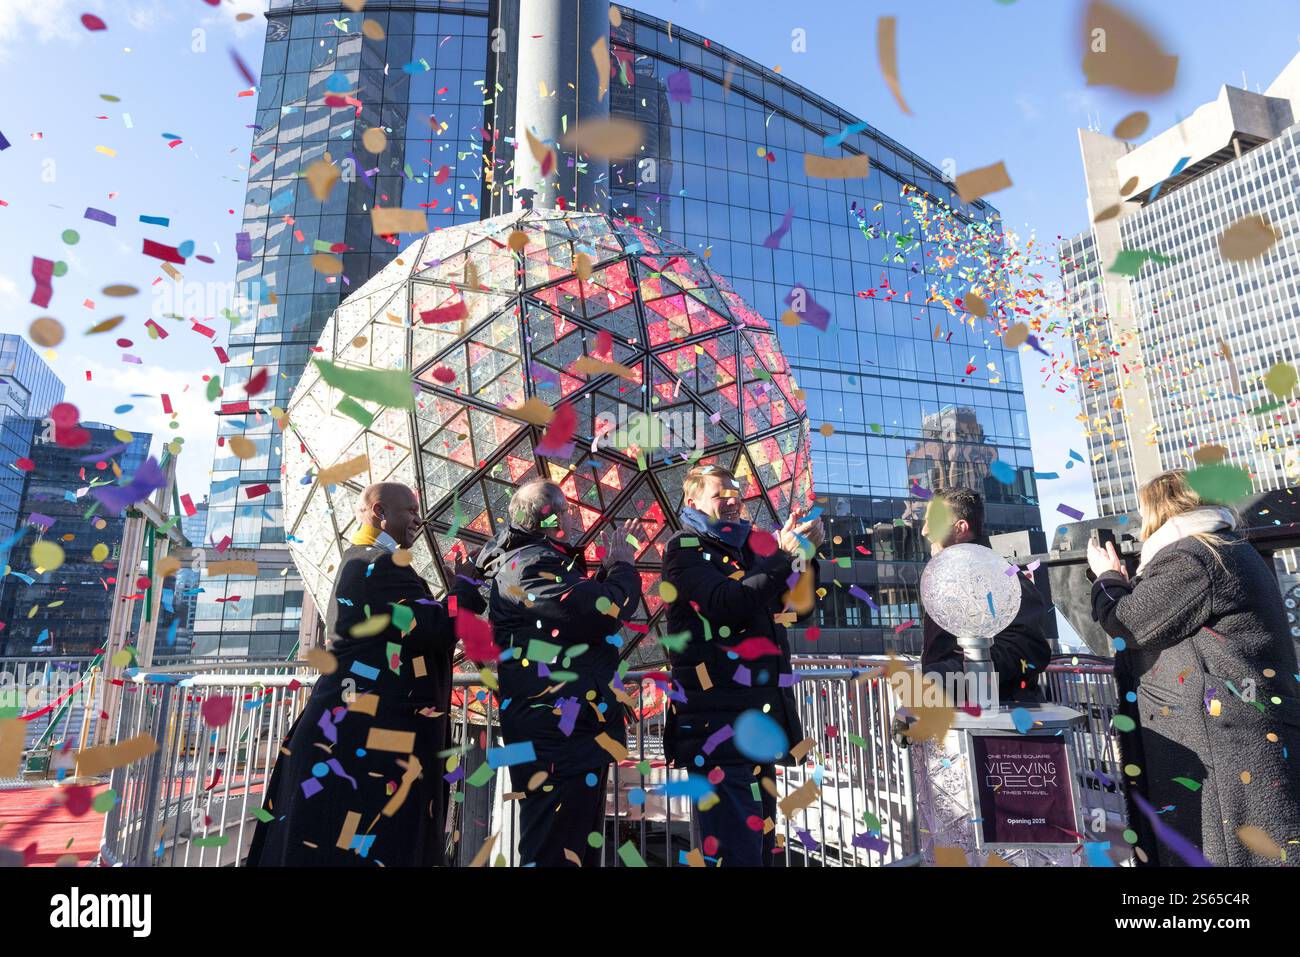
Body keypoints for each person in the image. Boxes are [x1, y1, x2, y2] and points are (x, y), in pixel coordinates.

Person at [247, 482, 475, 867]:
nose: (419, 520)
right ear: (380, 511)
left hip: (355, 737)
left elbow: (412, 628)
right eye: (411, 511)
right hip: (360, 745)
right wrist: (466, 589)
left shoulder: (367, 562)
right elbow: (433, 627)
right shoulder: (376, 565)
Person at [1088, 469, 1300, 866]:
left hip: (1223, 744)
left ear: (1156, 512)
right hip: (1238, 733)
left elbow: (1129, 623)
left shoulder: (1193, 556)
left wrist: (1107, 578)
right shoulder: (1224, 547)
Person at [462, 479, 642, 867]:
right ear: (550, 518)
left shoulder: (529, 562)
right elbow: (603, 612)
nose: (573, 516)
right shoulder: (529, 566)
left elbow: (569, 619)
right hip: (559, 738)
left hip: (563, 734)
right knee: (555, 848)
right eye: (565, 509)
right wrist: (622, 565)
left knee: (569, 847)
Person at [661, 464, 822, 866]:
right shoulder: (684, 549)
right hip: (717, 732)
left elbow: (795, 611)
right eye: (720, 494)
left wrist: (802, 557)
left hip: (756, 729)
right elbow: (725, 604)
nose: (733, 500)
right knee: (738, 854)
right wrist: (782, 558)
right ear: (693, 500)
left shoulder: (751, 549)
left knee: (760, 852)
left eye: (736, 491)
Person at [918, 486, 1053, 707]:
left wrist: (945, 678)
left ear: (960, 528)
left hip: (999, 719)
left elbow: (1029, 648)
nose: (925, 531)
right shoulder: (947, 578)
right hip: (958, 715)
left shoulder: (1000, 577)